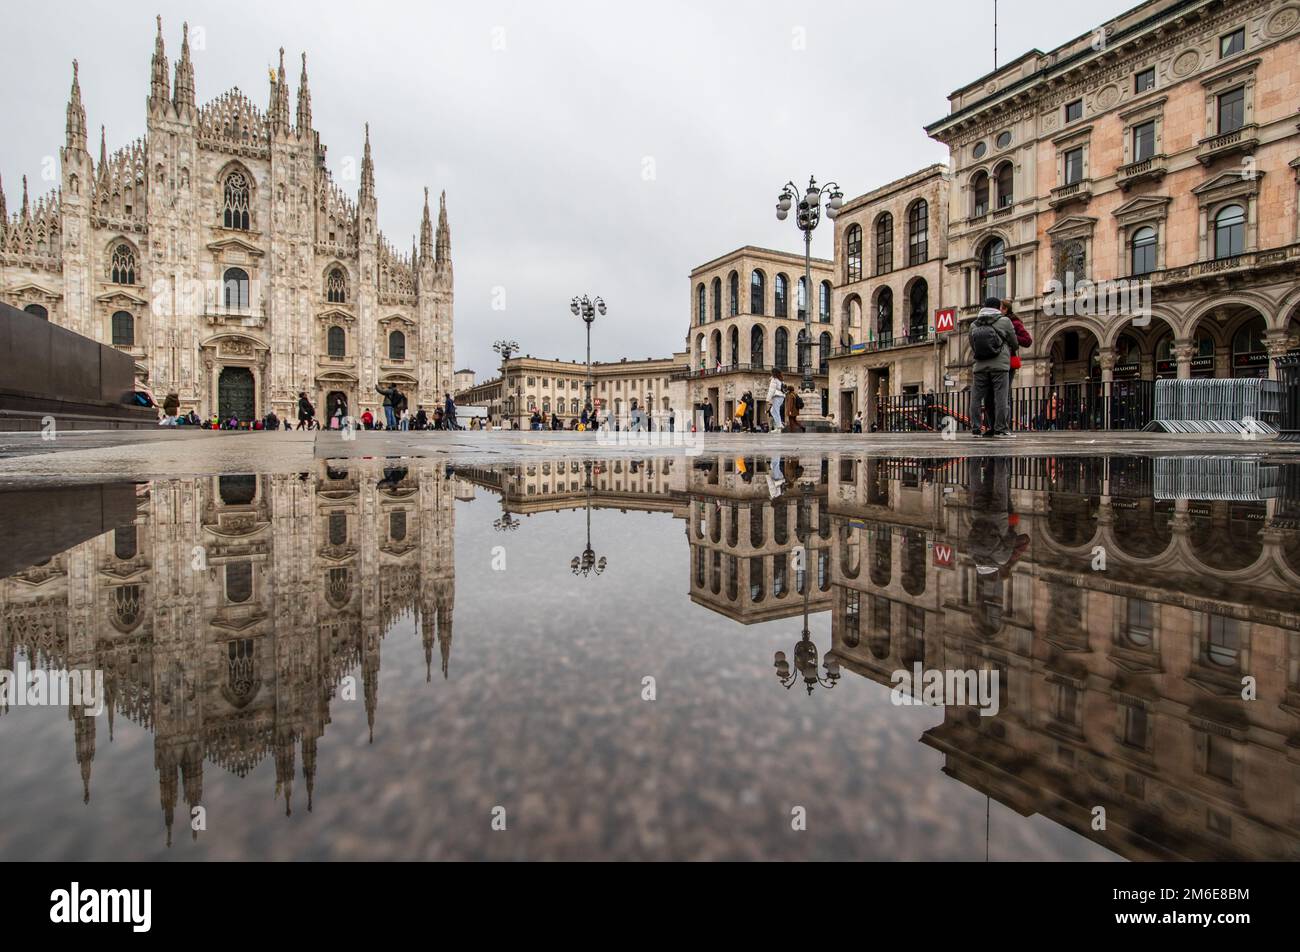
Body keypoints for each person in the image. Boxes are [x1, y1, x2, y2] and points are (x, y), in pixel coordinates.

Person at [968, 296, 1018, 438]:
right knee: (1001, 397)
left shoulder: (974, 325)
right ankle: (1001, 429)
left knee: (976, 398)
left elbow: (973, 345)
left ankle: (976, 429)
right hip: (1000, 366)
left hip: (979, 367)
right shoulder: (1005, 321)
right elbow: (1014, 342)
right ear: (997, 308)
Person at [1000, 299, 1032, 434]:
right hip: (998, 360)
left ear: (1005, 309)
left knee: (1004, 394)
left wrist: (1011, 336)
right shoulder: (997, 322)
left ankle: (1004, 426)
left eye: (999, 308)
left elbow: (1027, 340)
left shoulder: (1014, 322)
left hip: (1007, 362)